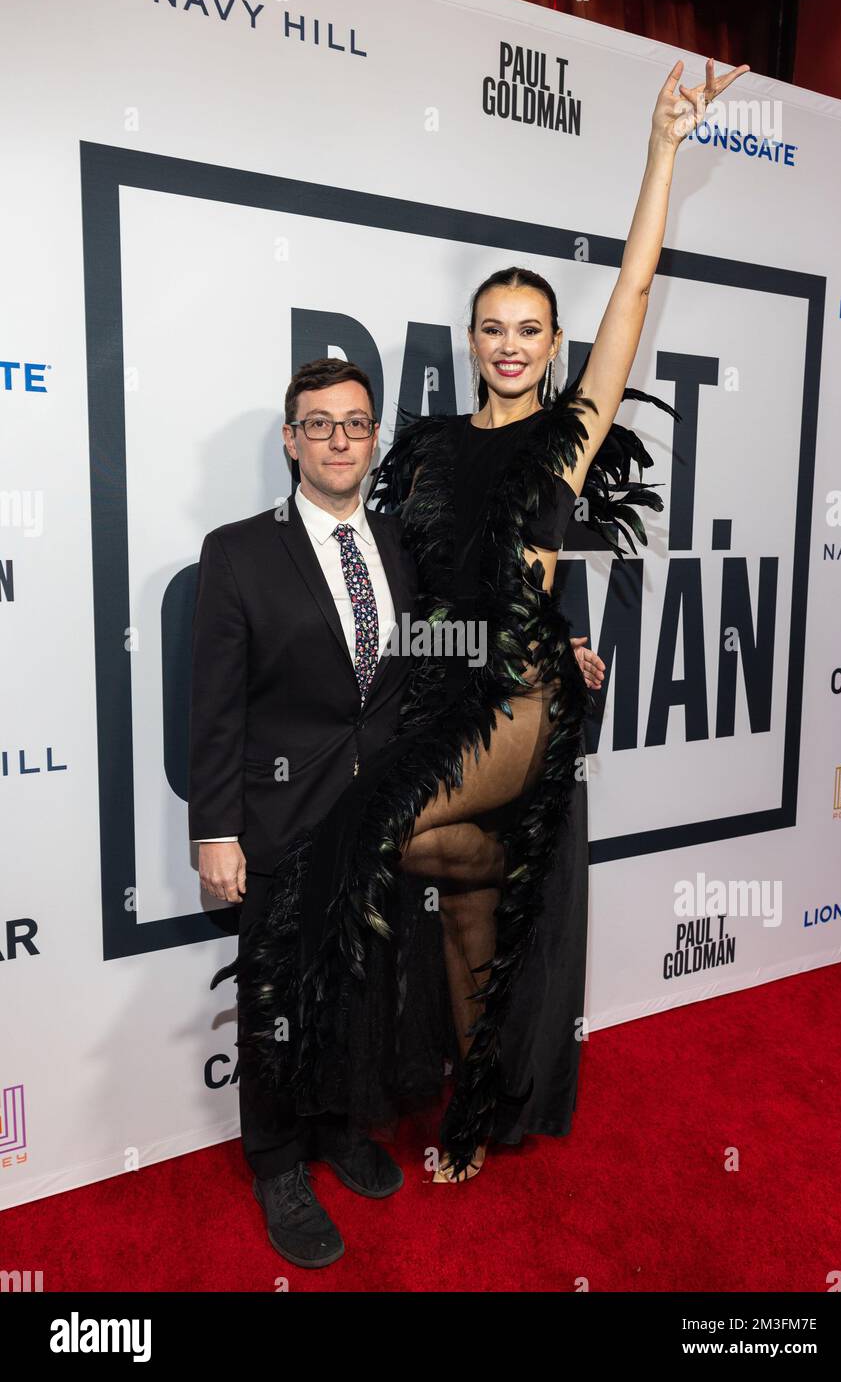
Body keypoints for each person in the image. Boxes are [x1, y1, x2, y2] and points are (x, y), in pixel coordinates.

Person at [217, 58, 749, 1186]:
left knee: (363, 825)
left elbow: (638, 294)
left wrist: (661, 148)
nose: (511, 344)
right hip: (444, 674)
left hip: (518, 700)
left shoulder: (566, 432)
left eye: (531, 329)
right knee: (463, 905)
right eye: (493, 327)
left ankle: (350, 1088)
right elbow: (407, 591)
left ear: (553, 348)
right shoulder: (420, 448)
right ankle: (473, 1099)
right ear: (470, 339)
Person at [190, 357, 605, 1266]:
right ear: (291, 439)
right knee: (278, 997)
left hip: (384, 810)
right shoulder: (238, 551)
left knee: (360, 980)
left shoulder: (399, 544)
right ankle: (278, 1163)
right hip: (282, 814)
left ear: (375, 440)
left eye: (355, 423)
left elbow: (461, 626)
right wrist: (215, 831)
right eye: (319, 423)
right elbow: (214, 708)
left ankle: (338, 1129)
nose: (339, 438)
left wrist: (554, 638)